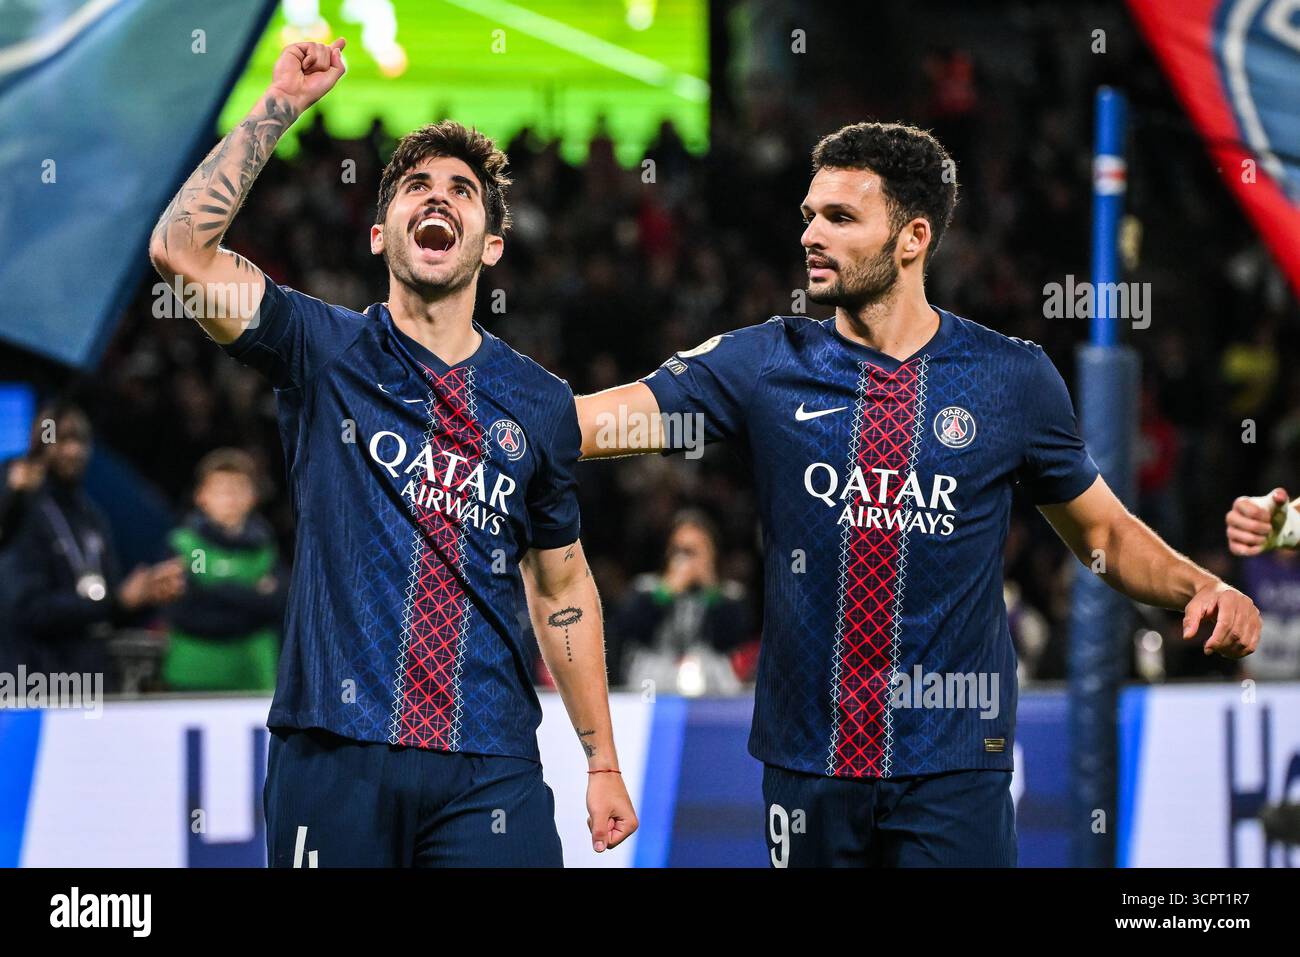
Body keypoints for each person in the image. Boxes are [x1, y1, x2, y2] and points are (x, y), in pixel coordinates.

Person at [576, 121, 1261, 867]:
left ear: (912, 238)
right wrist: (472, 388)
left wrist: (1202, 584)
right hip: (811, 764)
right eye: (810, 214)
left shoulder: (1012, 379)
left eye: (840, 218)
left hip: (954, 765)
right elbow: (596, 424)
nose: (811, 233)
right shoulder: (763, 364)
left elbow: (1104, 536)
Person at [149, 37, 635, 866]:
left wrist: (602, 758)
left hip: (489, 759)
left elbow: (562, 585)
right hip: (336, 751)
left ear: (491, 246)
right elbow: (179, 251)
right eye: (415, 187)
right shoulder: (322, 347)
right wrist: (279, 107)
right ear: (381, 235)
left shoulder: (539, 404)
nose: (435, 198)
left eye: (460, 190)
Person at [5, 404, 185, 680]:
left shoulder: (92, 516)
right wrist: (116, 602)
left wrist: (142, 596)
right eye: (61, 439)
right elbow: (29, 611)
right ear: (39, 446)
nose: (74, 451)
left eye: (81, 440)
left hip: (90, 679)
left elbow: (107, 610)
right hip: (35, 683)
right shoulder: (21, 511)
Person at [162, 448, 285, 692]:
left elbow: (279, 604)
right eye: (220, 489)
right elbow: (189, 609)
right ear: (201, 496)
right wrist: (252, 598)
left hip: (254, 676)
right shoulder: (190, 548)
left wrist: (217, 591)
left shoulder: (265, 547)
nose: (230, 497)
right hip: (195, 677)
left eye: (239, 488)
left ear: (253, 496)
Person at [612, 509, 752, 694]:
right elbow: (629, 632)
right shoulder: (647, 589)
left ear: (712, 553)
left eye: (694, 551)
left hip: (712, 684)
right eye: (679, 551)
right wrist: (666, 591)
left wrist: (710, 589)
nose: (687, 559)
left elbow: (731, 641)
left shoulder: (729, 595)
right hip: (656, 682)